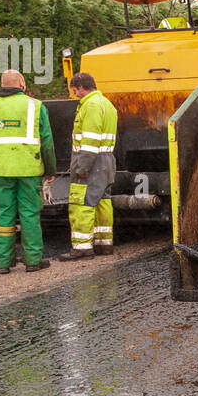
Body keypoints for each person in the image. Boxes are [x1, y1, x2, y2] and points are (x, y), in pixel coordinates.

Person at [0, 69, 55, 274]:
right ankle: (33, 261)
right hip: (30, 169)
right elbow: (46, 141)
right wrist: (50, 169)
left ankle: (3, 262)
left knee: (3, 214)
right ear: (22, 84)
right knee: (29, 213)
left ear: (2, 84)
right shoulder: (35, 106)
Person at [57, 72, 118, 261]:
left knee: (81, 202)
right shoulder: (106, 104)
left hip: (92, 161)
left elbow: (90, 141)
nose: (75, 95)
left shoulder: (90, 105)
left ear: (81, 87)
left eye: (75, 91)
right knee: (102, 202)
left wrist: (82, 167)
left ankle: (82, 248)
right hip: (107, 160)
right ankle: (103, 244)